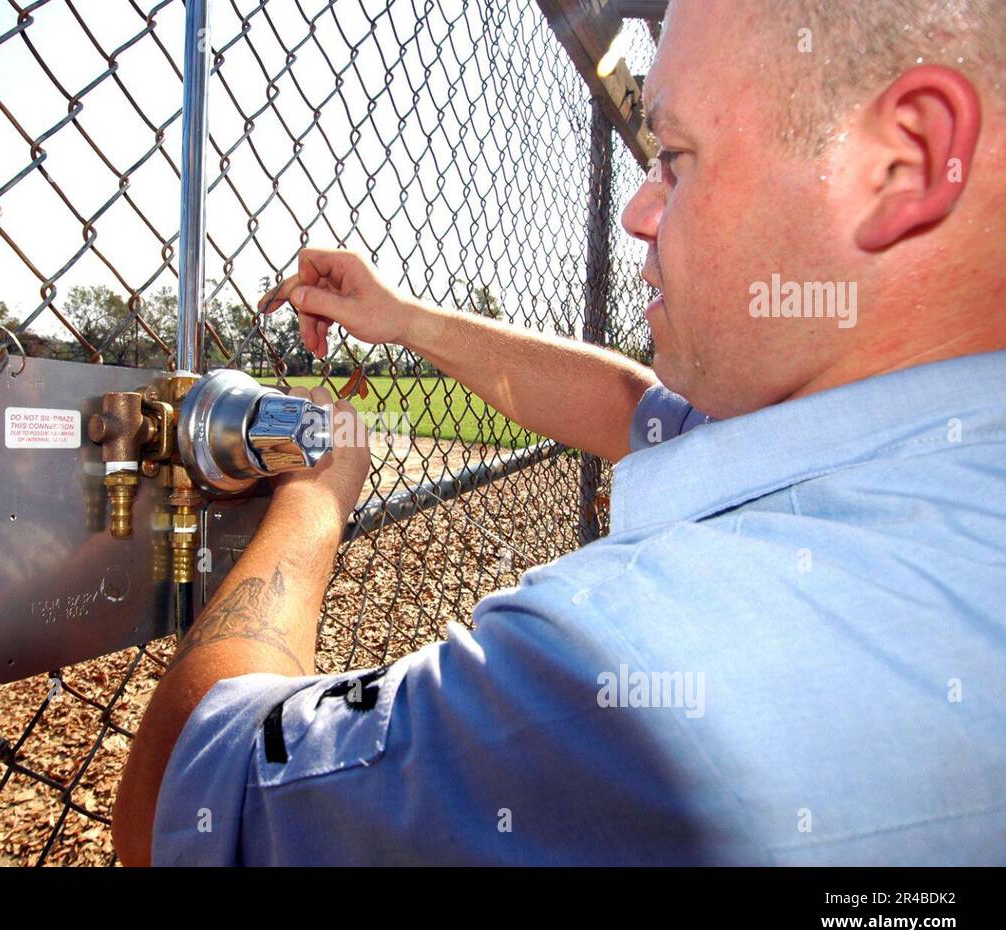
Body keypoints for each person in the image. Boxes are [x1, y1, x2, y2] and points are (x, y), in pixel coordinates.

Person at [113, 0, 1006, 865]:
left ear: (904, 160)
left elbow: (177, 804)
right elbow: (632, 407)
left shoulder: (635, 664)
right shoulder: (941, 461)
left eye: (679, 156)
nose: (638, 211)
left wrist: (316, 492)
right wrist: (405, 319)